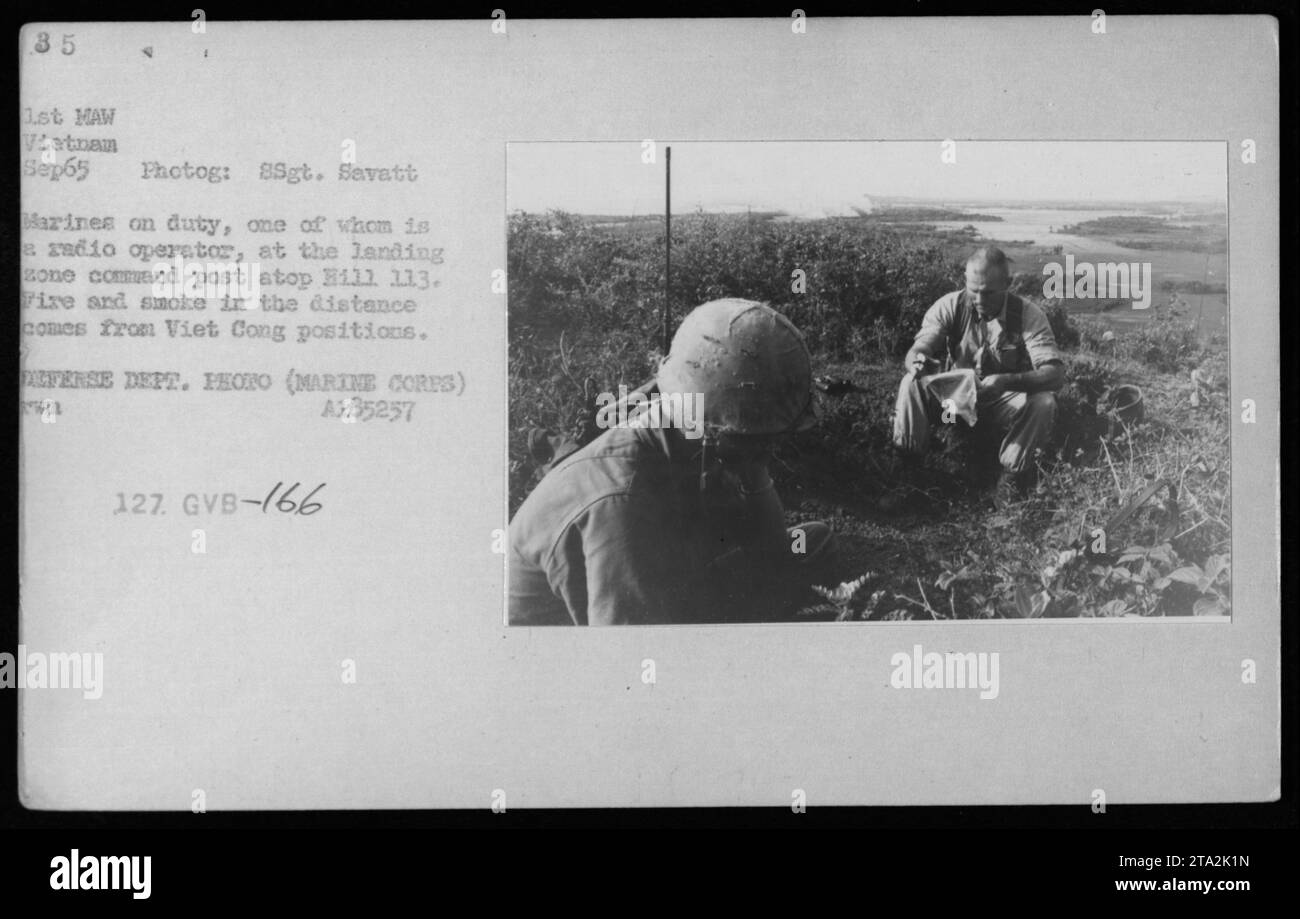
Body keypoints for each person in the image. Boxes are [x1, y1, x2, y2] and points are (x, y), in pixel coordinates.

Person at [509, 298, 831, 625]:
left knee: (813, 544)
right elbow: (631, 658)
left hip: (658, 587)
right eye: (761, 440)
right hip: (557, 657)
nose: (771, 449)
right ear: (716, 432)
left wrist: (752, 465)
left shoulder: (680, 431)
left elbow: (771, 549)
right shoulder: (620, 503)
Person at [890, 247, 1064, 506]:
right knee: (910, 383)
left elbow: (1055, 373)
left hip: (1000, 401)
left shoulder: (1028, 315)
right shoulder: (951, 305)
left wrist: (1007, 381)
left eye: (989, 292)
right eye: (974, 290)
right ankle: (908, 473)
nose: (980, 299)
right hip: (953, 403)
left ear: (1008, 284)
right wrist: (917, 361)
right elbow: (921, 346)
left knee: (1044, 402)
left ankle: (1011, 480)